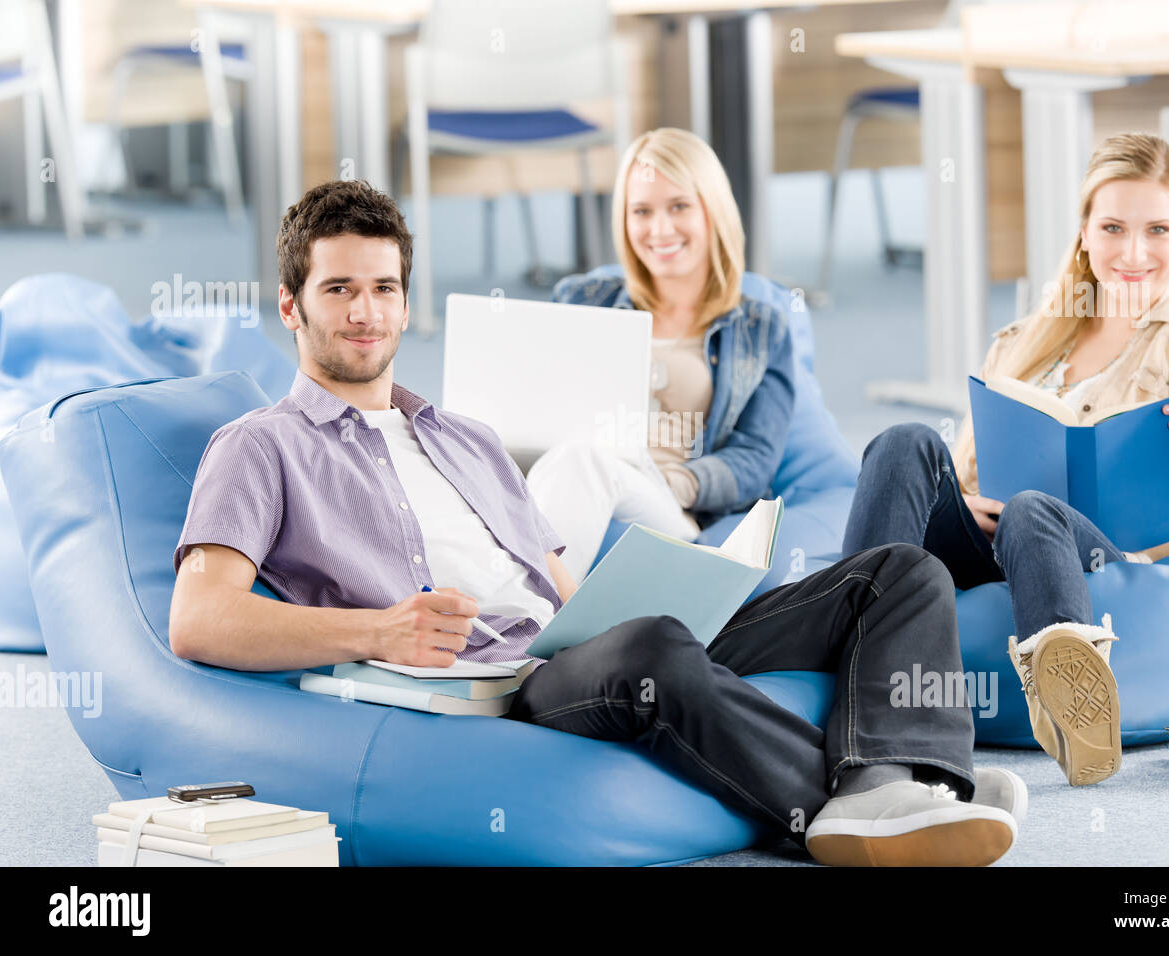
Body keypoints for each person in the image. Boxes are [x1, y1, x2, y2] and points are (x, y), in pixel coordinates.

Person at [168, 178, 1027, 867]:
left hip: (582, 634)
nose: (366, 312)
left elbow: (557, 579)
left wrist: (662, 594)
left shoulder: (461, 435)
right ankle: (865, 806)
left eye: (385, 288)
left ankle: (895, 783)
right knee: (651, 648)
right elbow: (198, 619)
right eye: (339, 290)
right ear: (291, 306)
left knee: (898, 573)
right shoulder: (260, 446)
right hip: (504, 679)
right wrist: (382, 630)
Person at [842, 133, 1169, 787]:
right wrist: (971, 502)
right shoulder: (1025, 341)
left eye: (1157, 229)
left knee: (1036, 511)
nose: (1133, 252)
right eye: (1113, 227)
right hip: (986, 540)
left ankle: (1071, 699)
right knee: (903, 441)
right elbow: (963, 469)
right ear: (1085, 232)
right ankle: (844, 646)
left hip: (1100, 553)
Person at [526, 128, 795, 581]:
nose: (660, 229)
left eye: (679, 207)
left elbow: (755, 456)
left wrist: (677, 484)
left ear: (713, 211)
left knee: (585, 460)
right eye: (642, 211)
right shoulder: (580, 299)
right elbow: (536, 403)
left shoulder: (759, 327)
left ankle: (520, 629)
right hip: (565, 478)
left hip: (667, 507)